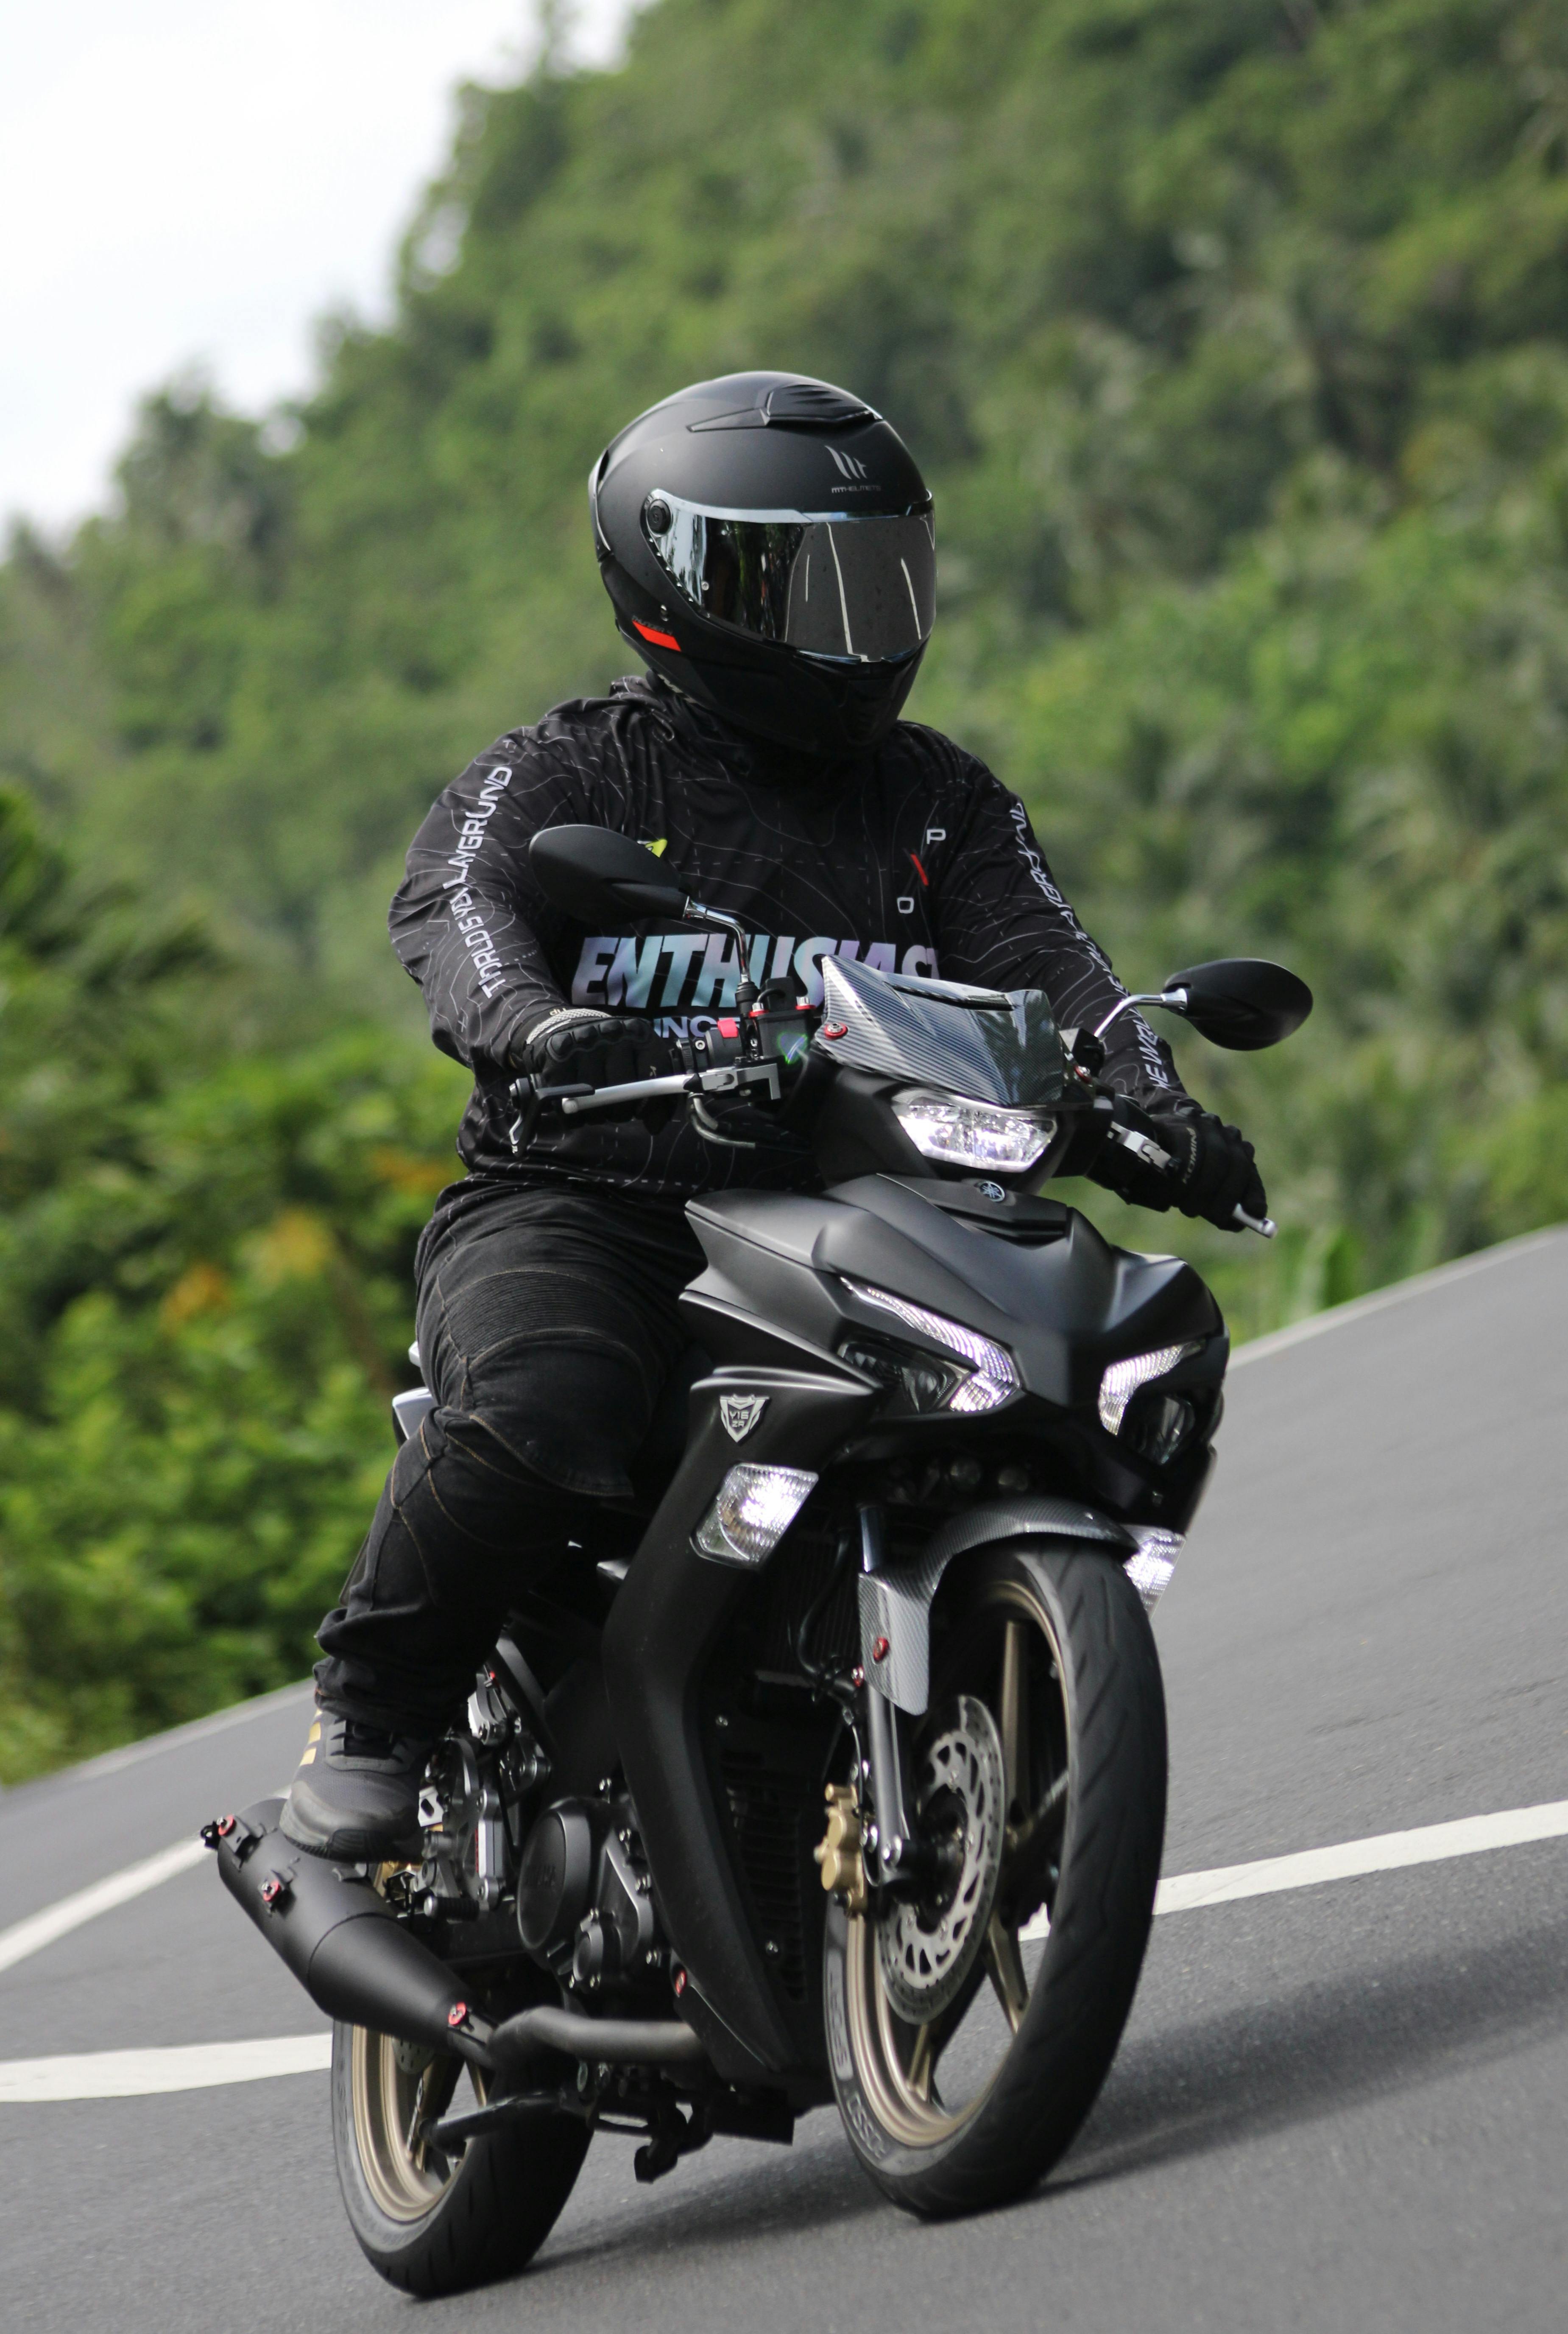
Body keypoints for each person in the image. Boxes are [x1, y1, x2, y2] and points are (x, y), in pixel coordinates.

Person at [281, 371, 1265, 1861]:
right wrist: (533, 1025)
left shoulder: (942, 803)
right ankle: (372, 1713)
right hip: (586, 1198)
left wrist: (1147, 1103)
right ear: (677, 580)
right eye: (800, 580)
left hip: (855, 1207)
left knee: (1075, 1364)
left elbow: (1062, 980)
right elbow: (456, 905)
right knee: (547, 1403)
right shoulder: (575, 766)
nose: (856, 626)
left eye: (881, 578)